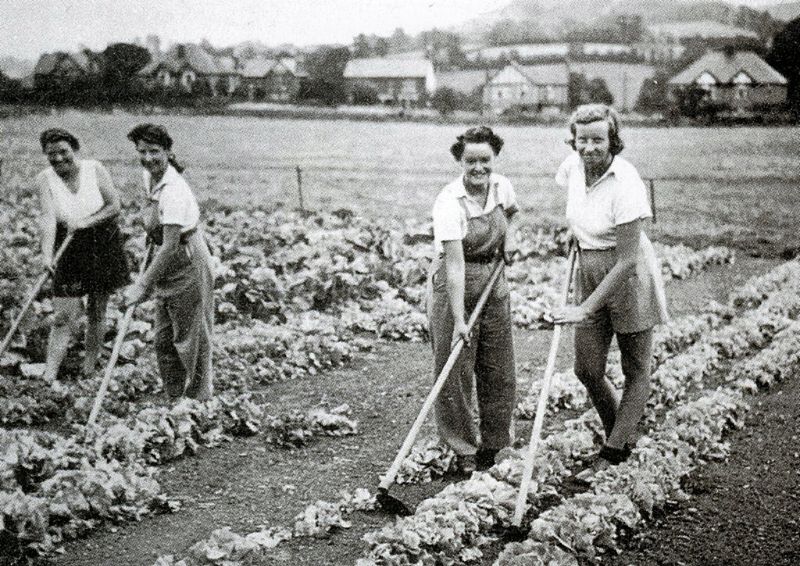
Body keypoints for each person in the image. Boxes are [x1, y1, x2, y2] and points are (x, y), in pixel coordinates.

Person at [550, 104, 669, 474]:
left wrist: (585, 308)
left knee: (635, 368)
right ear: (573, 140)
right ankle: (622, 435)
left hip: (628, 275)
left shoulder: (626, 182)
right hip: (589, 267)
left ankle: (614, 451)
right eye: (582, 139)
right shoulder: (572, 167)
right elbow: (579, 208)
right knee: (587, 368)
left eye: (598, 140)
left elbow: (628, 259)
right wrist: (575, 233)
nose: (589, 148)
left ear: (612, 140)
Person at [428, 126, 520, 475]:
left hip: (494, 282)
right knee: (455, 371)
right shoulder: (449, 202)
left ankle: (496, 445)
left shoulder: (502, 186)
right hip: (456, 285)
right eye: (471, 161)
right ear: (460, 161)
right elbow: (454, 265)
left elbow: (514, 214)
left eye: (485, 160)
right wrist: (459, 320)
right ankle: (464, 447)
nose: (479, 168)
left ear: (495, 158)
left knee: (499, 369)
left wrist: (510, 237)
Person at [123, 124, 214, 401]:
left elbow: (171, 244)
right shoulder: (149, 177)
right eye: (142, 152)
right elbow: (157, 226)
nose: (148, 158)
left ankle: (199, 401)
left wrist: (142, 285)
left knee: (190, 338)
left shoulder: (174, 190)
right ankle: (174, 399)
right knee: (163, 339)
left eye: (154, 151)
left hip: (186, 259)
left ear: (167, 151)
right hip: (166, 258)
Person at [35, 128, 130, 381]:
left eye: (63, 151)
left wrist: (86, 222)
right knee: (63, 316)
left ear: (74, 149)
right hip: (68, 245)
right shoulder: (45, 179)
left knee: (97, 310)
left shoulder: (94, 169)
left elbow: (114, 206)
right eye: (51, 154)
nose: (58, 158)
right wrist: (46, 255)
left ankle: (89, 369)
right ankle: (49, 375)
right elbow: (48, 219)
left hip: (102, 242)